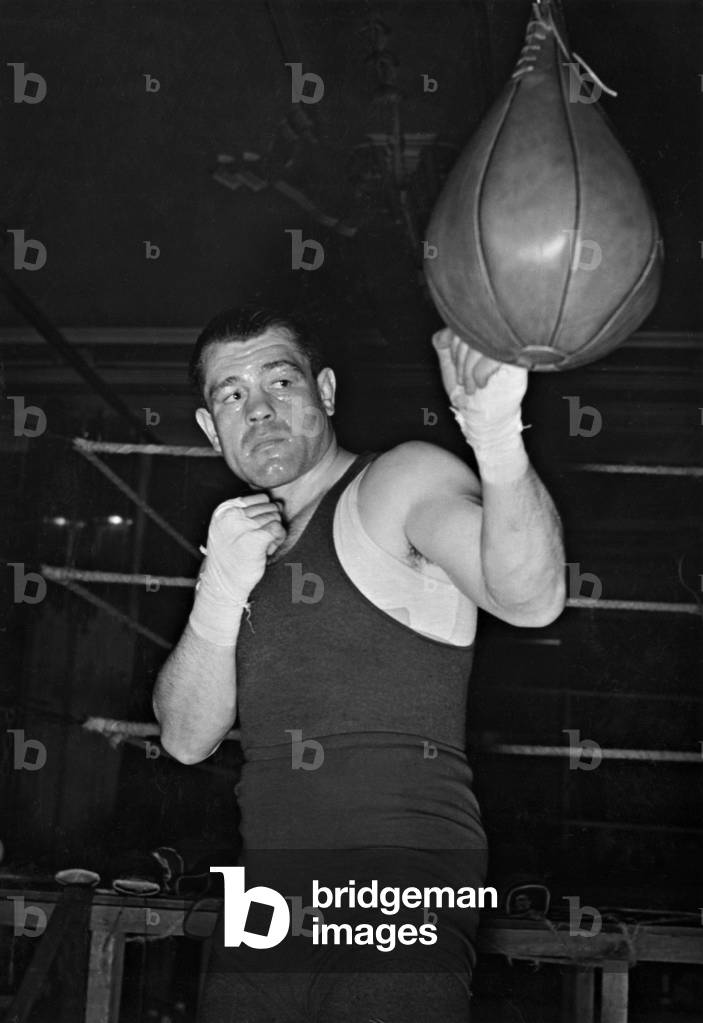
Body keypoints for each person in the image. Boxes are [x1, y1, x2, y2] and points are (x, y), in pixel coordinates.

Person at [153, 306, 565, 1023]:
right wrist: (218, 588)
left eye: (281, 381)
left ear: (328, 392)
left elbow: (530, 598)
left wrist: (496, 441)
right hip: (267, 902)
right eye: (232, 394)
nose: (259, 409)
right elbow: (186, 738)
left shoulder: (394, 484)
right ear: (210, 429)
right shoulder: (246, 550)